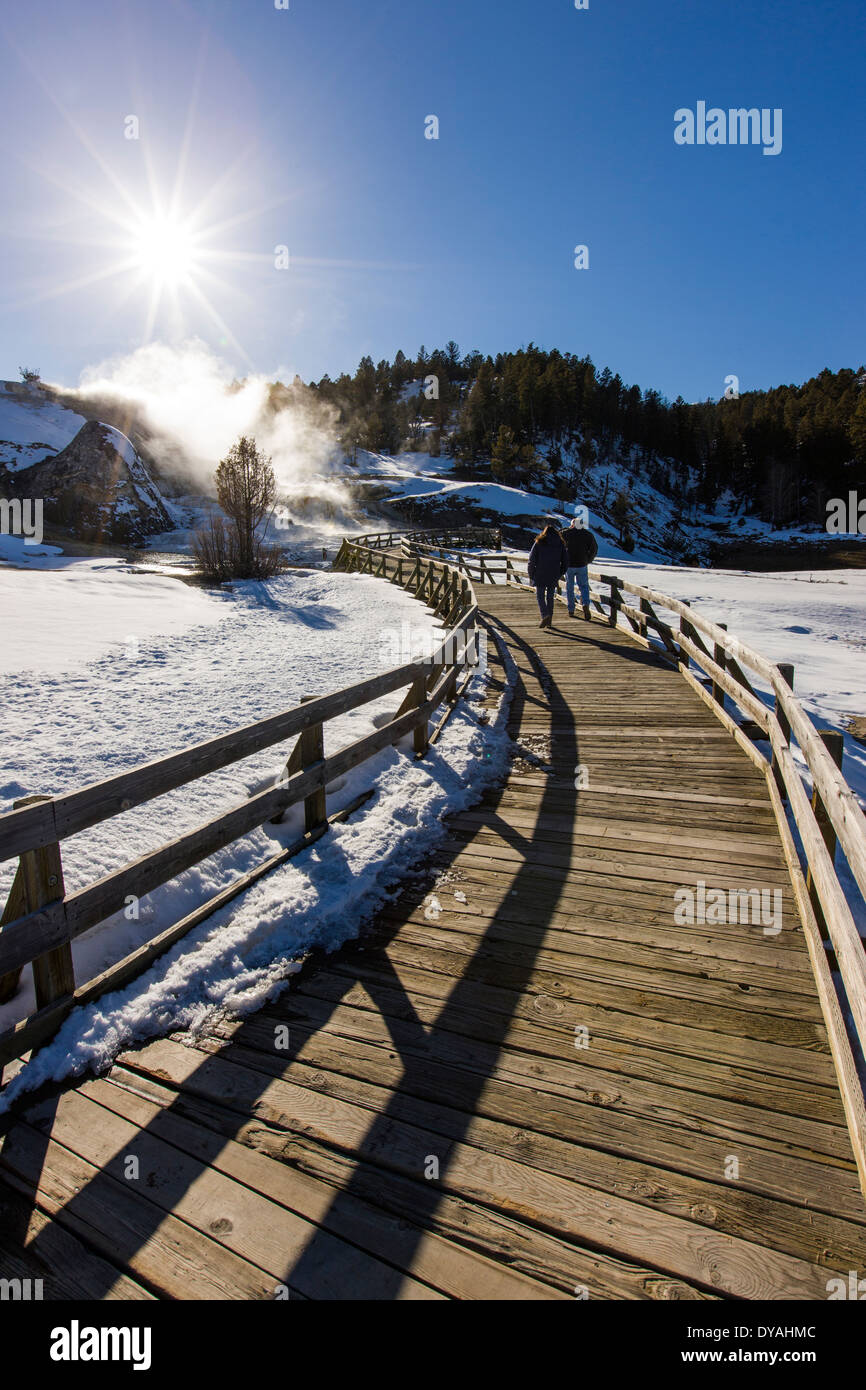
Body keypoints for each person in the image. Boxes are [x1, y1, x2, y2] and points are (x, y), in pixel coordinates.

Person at [527, 523, 567, 629]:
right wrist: (560, 573)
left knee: (540, 596)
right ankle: (549, 621)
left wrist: (531, 574)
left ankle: (545, 615)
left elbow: (531, 560)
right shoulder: (560, 543)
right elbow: (565, 561)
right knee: (550, 597)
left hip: (540, 573)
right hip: (553, 574)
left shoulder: (539, 542)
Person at [563, 514, 598, 620]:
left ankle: (571, 610)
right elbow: (594, 549)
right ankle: (585, 605)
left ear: (572, 525)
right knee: (584, 586)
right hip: (582, 564)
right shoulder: (588, 535)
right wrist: (588, 560)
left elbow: (559, 543)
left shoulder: (566, 534)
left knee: (569, 587)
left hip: (569, 564)